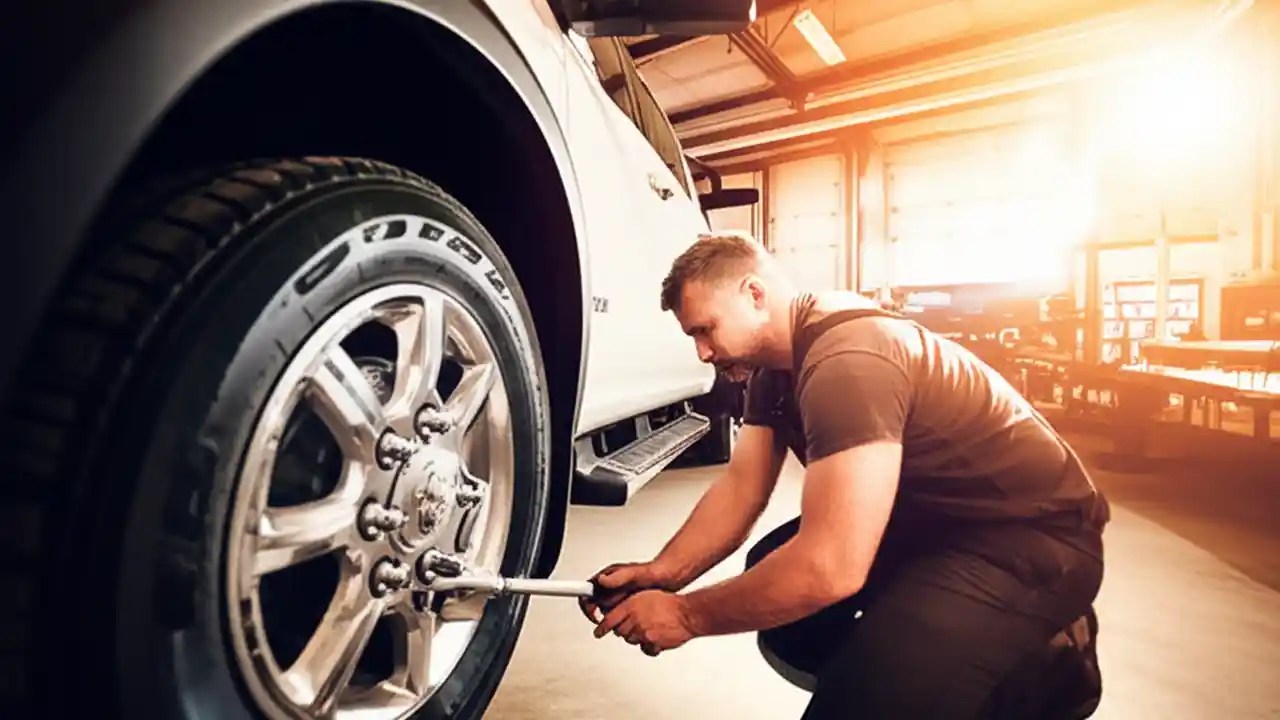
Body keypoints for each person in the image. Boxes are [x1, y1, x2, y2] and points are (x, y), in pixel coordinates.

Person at [579, 232, 1109, 718]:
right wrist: (662, 574)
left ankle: (1038, 659)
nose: (702, 351)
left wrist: (688, 616)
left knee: (849, 691)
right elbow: (741, 488)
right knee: (777, 584)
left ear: (754, 293)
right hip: (933, 526)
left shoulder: (848, 362)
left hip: (1028, 543)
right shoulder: (772, 372)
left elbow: (832, 567)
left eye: (705, 329)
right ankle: (922, 664)